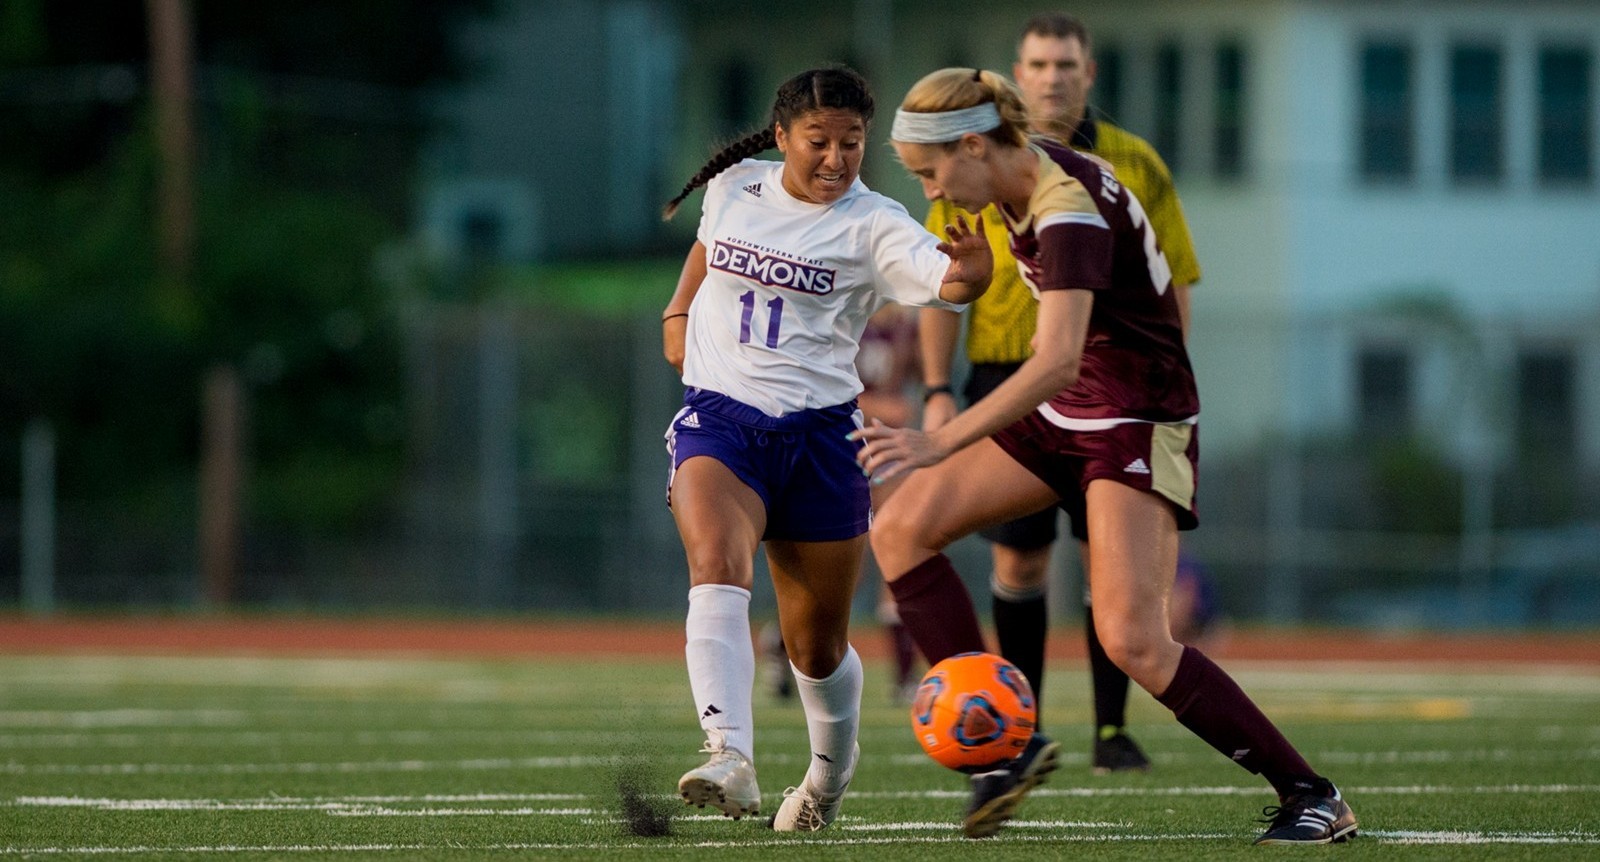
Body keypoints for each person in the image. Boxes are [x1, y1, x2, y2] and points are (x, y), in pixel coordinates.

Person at [855, 67, 1357, 845]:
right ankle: (1005, 751)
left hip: (1135, 417)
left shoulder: (1066, 211)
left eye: (930, 173)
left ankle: (1312, 792)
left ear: (978, 145)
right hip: (1074, 406)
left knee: (1133, 638)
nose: (930, 194)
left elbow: (1053, 357)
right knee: (899, 531)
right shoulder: (1021, 173)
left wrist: (940, 436)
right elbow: (1063, 364)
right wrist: (979, 279)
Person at [658, 65, 992, 833]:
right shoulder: (734, 186)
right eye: (819, 142)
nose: (836, 159)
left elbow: (944, 281)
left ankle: (826, 780)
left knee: (817, 647)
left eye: (852, 143)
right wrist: (678, 311)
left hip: (819, 441)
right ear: (781, 138)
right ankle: (729, 753)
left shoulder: (874, 223)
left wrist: (972, 273)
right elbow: (709, 253)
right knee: (716, 564)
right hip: (720, 422)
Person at [919, 12, 1203, 778]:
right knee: (1014, 564)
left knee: (1116, 593)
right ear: (1018, 71)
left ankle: (1111, 731)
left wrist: (1163, 379)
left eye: (1065, 64)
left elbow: (1170, 276)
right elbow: (941, 287)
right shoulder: (961, 164)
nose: (1052, 77)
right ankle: (1020, 732)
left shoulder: (1121, 168)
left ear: (1089, 73)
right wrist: (939, 390)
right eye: (1038, 64)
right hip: (1005, 374)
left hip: (1100, 383)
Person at [760, 303, 926, 706]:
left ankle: (905, 678)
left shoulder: (907, 322)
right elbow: (821, 385)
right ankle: (784, 643)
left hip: (887, 448)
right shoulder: (846, 310)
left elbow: (918, 377)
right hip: (842, 445)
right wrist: (875, 406)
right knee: (844, 567)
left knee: (898, 548)